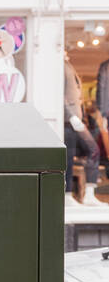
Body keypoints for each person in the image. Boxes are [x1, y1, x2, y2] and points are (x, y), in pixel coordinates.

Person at [64, 55, 101, 209]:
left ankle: (88, 194)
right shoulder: (60, 66)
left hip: (75, 119)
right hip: (68, 119)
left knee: (89, 150)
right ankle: (68, 196)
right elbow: (58, 95)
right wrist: (71, 116)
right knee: (73, 155)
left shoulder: (67, 65)